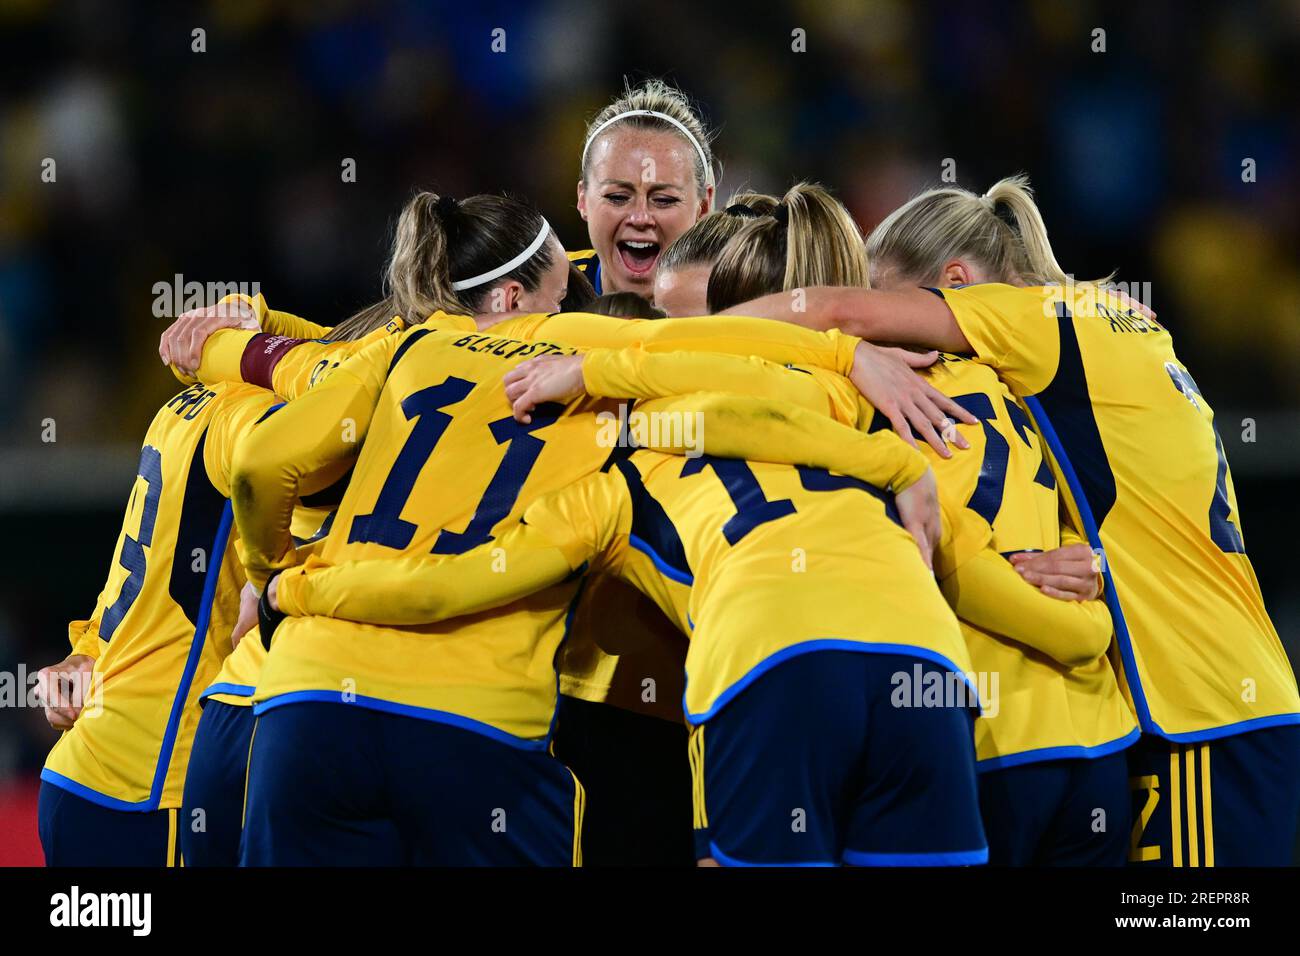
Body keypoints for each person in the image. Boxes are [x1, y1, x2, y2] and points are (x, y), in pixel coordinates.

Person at [726, 174, 1300, 866]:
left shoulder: (1033, 318)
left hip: (1201, 710)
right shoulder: (1115, 326)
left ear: (958, 282)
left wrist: (654, 345)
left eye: (896, 296)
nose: (894, 326)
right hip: (1218, 690)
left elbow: (825, 310)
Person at [571, 79, 717, 298]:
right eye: (618, 197)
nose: (640, 218)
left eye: (664, 200)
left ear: (703, 207)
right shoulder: (537, 294)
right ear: (583, 200)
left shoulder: (736, 302)